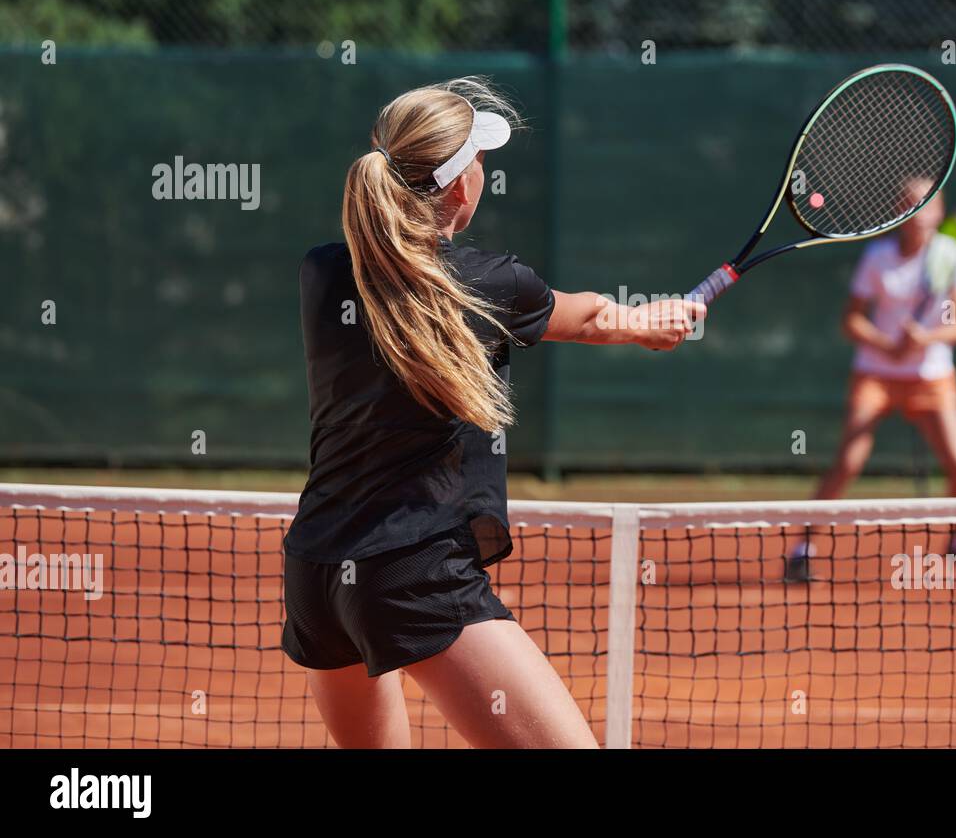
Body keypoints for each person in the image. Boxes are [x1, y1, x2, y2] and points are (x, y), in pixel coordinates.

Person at [280, 78, 704, 748]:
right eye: (478, 159)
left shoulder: (324, 273)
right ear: (458, 188)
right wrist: (647, 322)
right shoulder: (493, 285)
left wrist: (638, 321)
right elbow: (589, 317)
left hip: (316, 573)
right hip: (414, 574)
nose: (484, 171)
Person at [812, 180, 956, 554]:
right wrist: (886, 345)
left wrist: (926, 338)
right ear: (898, 213)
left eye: (929, 206)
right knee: (848, 462)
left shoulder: (950, 255)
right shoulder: (877, 256)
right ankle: (803, 549)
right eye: (912, 206)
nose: (921, 215)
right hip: (876, 375)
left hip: (931, 377)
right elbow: (851, 320)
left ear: (939, 214)